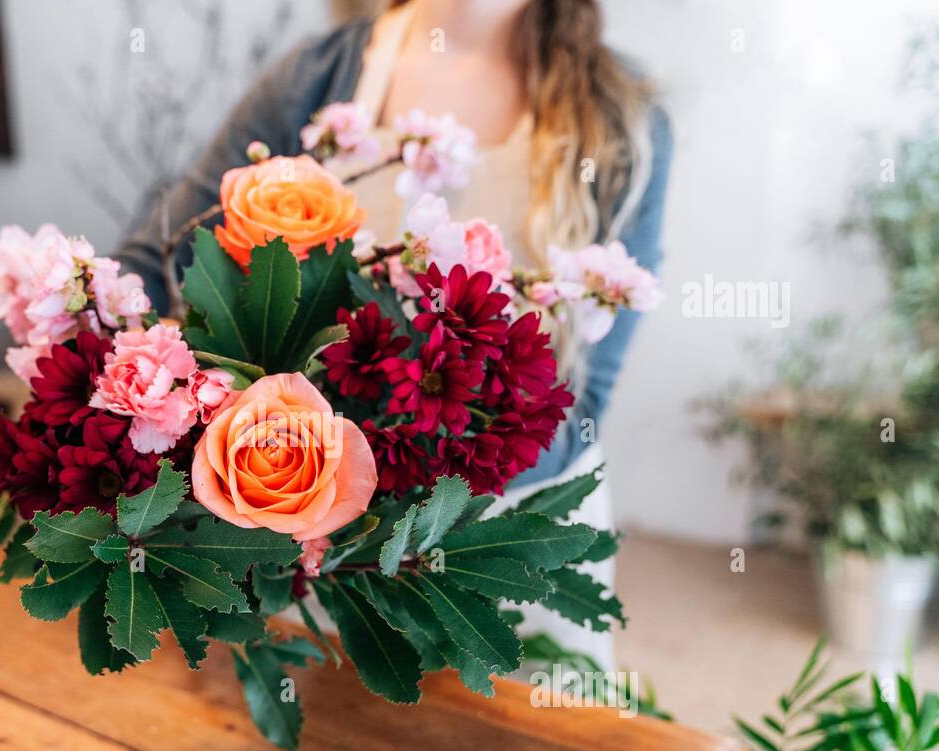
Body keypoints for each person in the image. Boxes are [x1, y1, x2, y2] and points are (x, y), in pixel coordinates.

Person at [116, 0, 672, 669]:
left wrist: (383, 503)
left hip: (504, 549)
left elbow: (582, 402)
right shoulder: (315, 80)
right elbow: (159, 257)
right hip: (310, 548)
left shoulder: (625, 124)